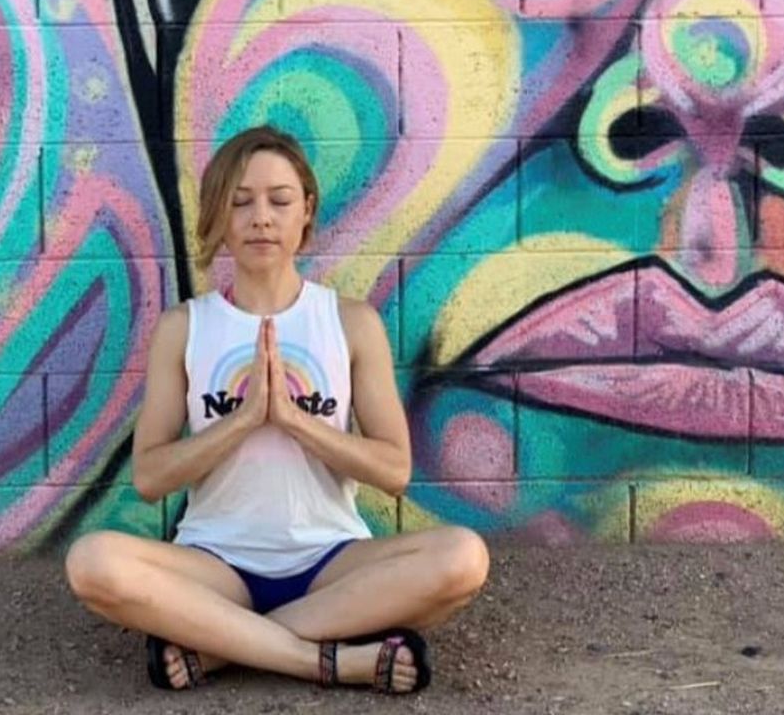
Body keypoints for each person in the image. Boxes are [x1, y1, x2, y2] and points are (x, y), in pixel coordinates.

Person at [64, 125, 490, 693]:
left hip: (331, 563)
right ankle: (325, 661)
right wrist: (242, 422)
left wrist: (294, 421)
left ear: (306, 210)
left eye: (279, 201)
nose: (260, 218)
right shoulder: (184, 328)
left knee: (463, 557)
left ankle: (220, 646)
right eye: (240, 202)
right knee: (92, 563)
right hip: (215, 565)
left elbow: (394, 469)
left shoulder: (351, 323)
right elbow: (150, 477)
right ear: (218, 214)